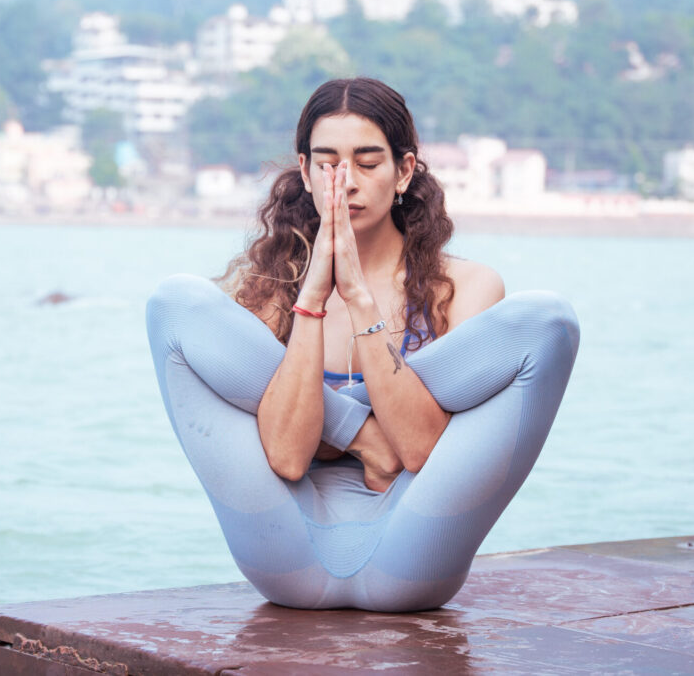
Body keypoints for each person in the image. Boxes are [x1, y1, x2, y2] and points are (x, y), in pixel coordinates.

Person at [146, 77, 579, 612]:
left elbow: (420, 450)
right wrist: (364, 430)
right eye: (327, 163)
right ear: (304, 173)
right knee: (174, 302)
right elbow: (285, 456)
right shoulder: (270, 295)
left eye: (368, 163)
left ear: (405, 171)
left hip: (413, 558)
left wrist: (356, 296)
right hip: (288, 558)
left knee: (548, 320)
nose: (344, 181)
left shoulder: (466, 288)